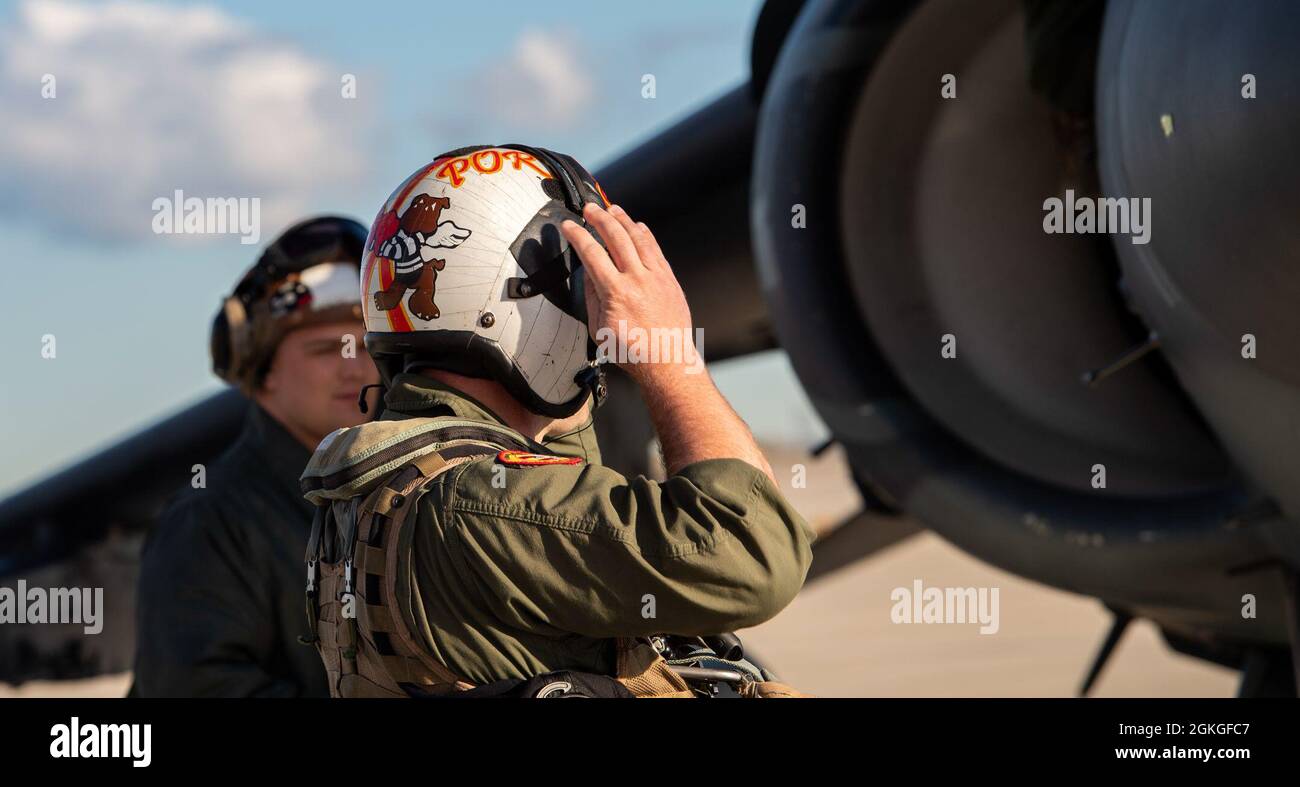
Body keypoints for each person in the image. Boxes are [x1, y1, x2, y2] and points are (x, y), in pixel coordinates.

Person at [302, 145, 815, 698]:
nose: (592, 325)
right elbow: (750, 550)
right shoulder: (479, 502)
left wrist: (567, 390)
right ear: (517, 301)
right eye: (580, 293)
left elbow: (573, 488)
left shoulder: (395, 483)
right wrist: (670, 356)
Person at [132, 217, 382, 697]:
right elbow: (195, 687)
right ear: (263, 369)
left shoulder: (398, 497)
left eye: (367, 345)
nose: (355, 366)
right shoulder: (208, 522)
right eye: (327, 348)